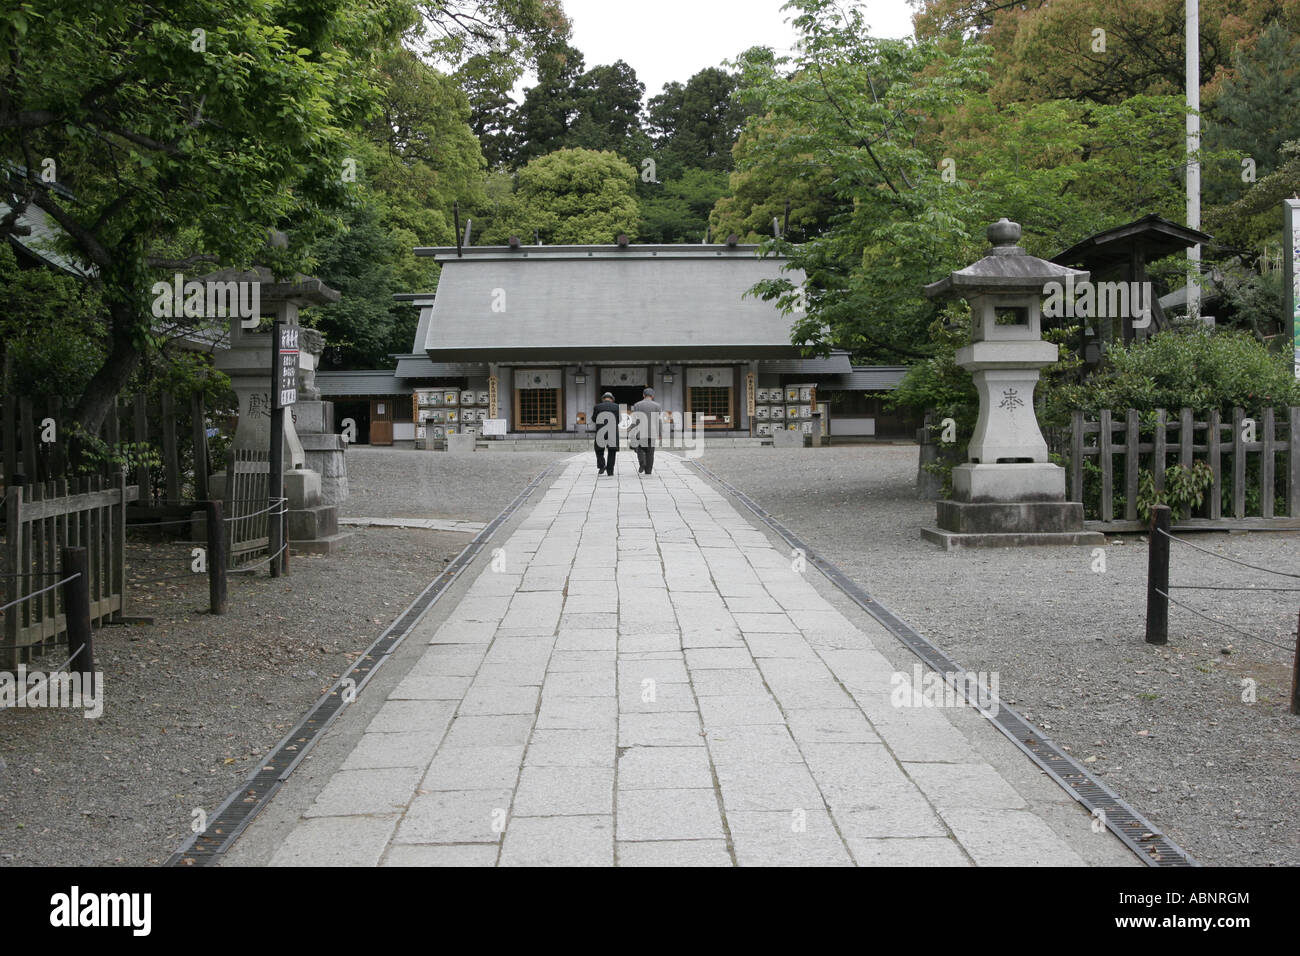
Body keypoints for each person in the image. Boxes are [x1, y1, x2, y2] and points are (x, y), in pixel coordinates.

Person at [629, 386, 662, 475]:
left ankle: (642, 463)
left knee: (640, 448)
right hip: (653, 431)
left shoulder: (637, 405)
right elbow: (658, 420)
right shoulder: (657, 406)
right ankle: (648, 470)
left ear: (643, 395)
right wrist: (659, 433)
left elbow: (634, 419)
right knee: (650, 452)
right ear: (653, 396)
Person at [592, 391, 620, 476]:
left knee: (599, 449)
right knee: (612, 451)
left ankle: (601, 466)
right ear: (612, 399)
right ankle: (610, 471)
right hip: (612, 431)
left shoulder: (597, 407)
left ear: (603, 399)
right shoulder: (616, 406)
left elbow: (594, 419)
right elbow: (619, 420)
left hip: (600, 431)